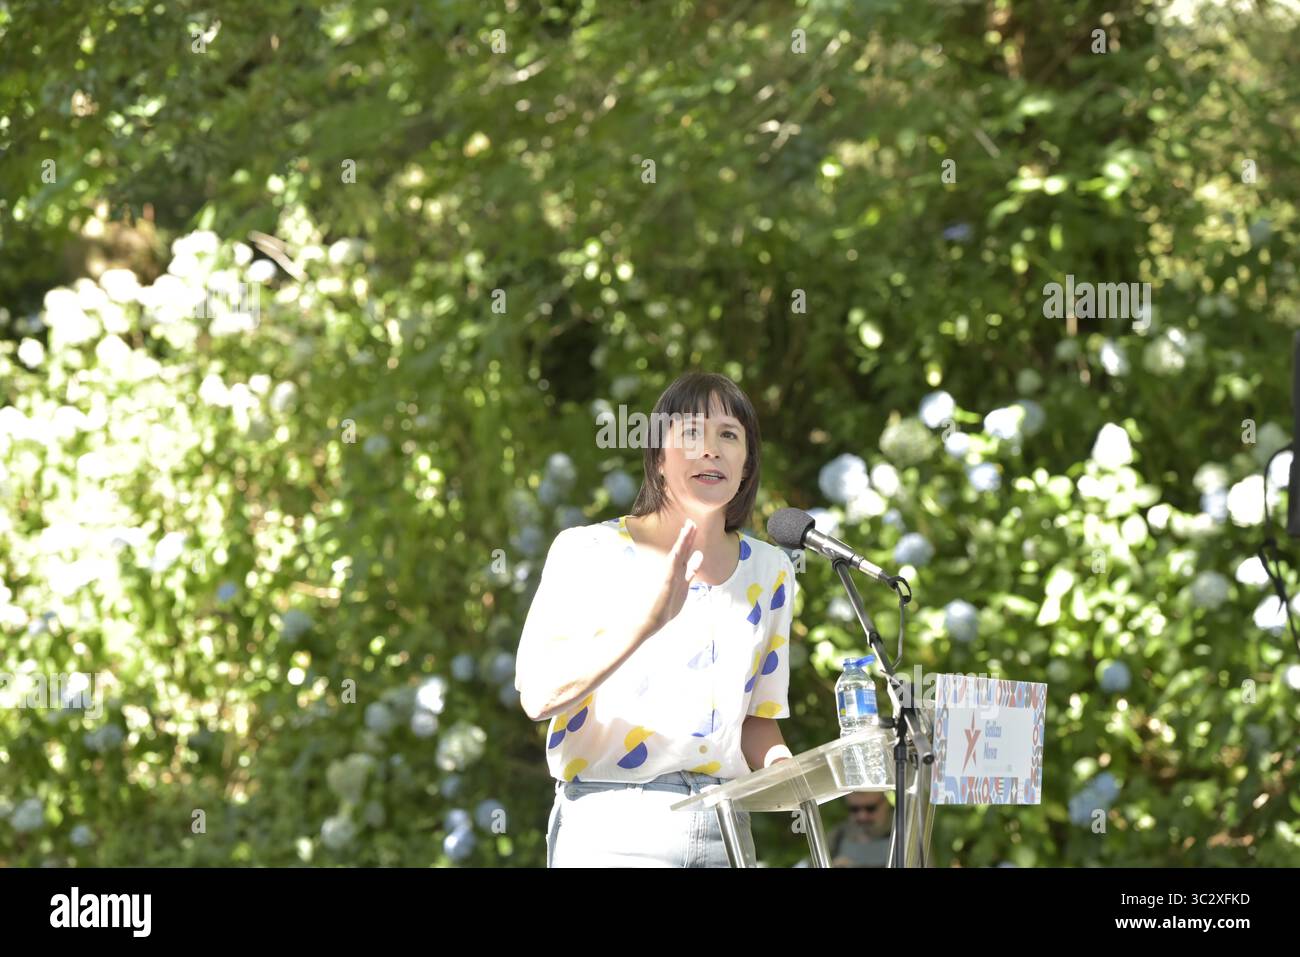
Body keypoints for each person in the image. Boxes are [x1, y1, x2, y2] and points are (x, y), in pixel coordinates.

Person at [515, 371, 799, 867]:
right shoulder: (588, 551)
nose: (711, 449)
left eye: (729, 435)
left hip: (726, 829)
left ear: (747, 463)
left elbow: (757, 721)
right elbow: (539, 697)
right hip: (613, 826)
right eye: (690, 433)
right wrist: (647, 622)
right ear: (658, 458)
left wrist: (797, 777)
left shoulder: (770, 570)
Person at [828, 792, 893, 868]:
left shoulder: (905, 835)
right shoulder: (837, 837)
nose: (862, 816)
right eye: (854, 809)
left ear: (886, 803)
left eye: (870, 808)